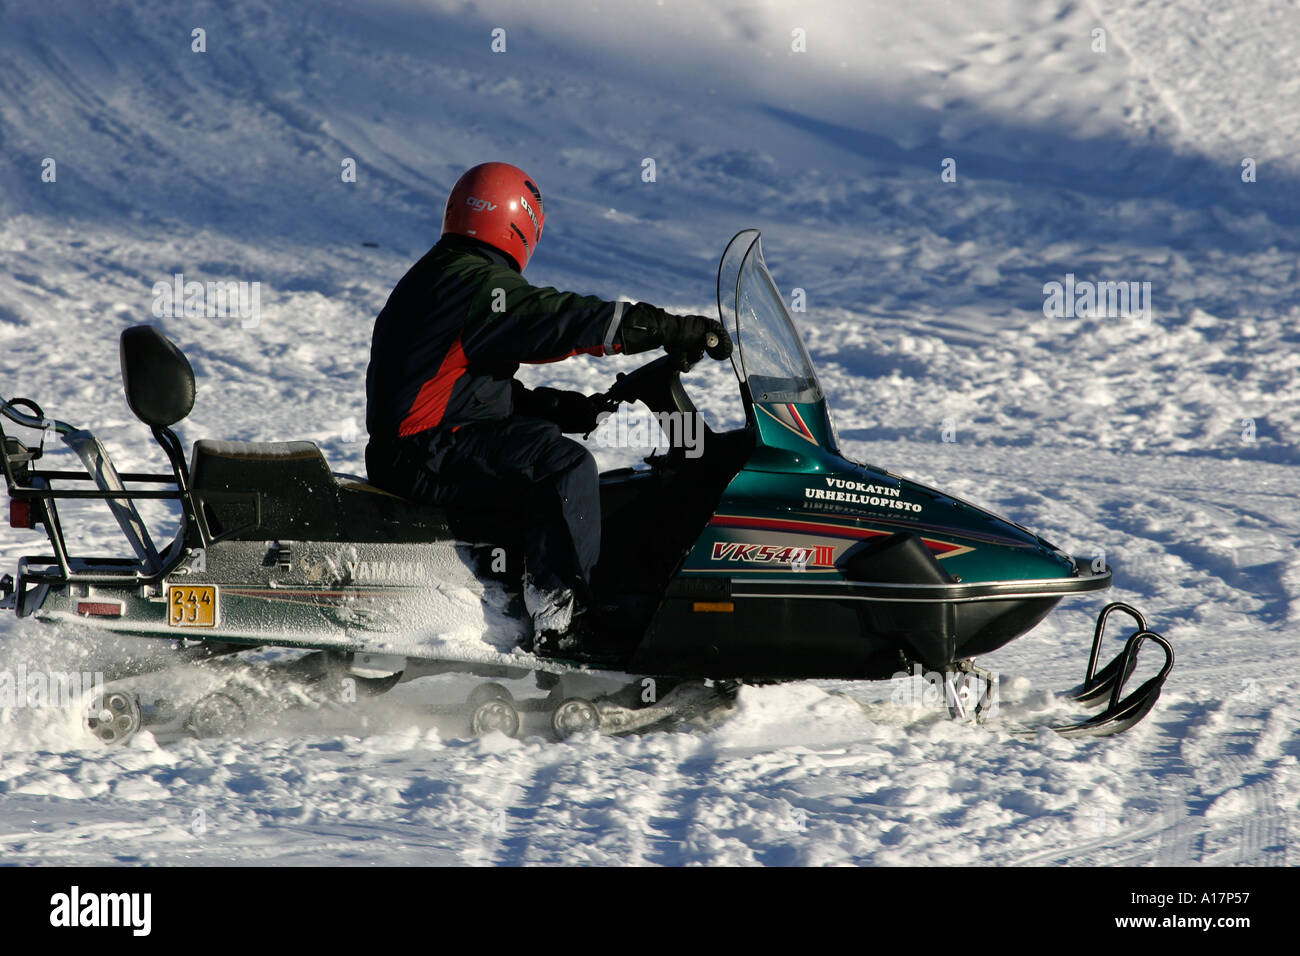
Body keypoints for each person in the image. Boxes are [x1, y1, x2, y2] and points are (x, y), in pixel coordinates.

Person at [364, 162, 731, 658]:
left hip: (426, 440)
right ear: (521, 224)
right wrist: (664, 328)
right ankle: (565, 623)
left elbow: (459, 388)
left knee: (551, 451)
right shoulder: (478, 284)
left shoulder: (445, 274)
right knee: (563, 465)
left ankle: (537, 593)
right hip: (425, 450)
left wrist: (556, 408)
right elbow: (560, 319)